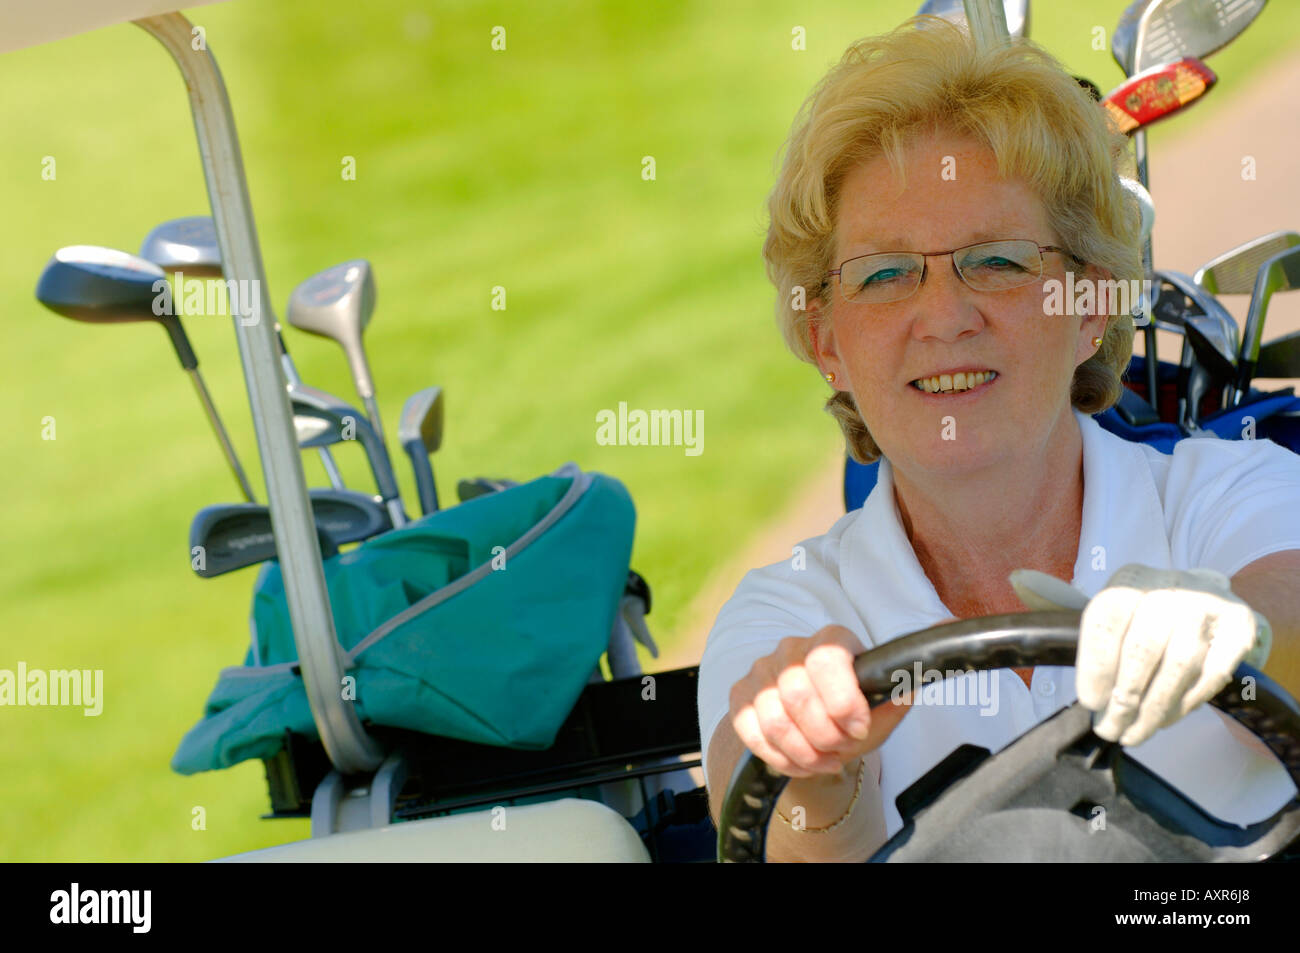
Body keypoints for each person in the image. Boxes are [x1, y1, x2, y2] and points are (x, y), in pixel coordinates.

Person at [697, 16, 1300, 862]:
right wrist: (814, 766)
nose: (943, 316)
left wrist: (1237, 627)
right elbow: (761, 809)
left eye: (999, 262)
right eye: (883, 275)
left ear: (1089, 306)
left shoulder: (1228, 494)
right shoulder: (792, 609)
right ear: (828, 341)